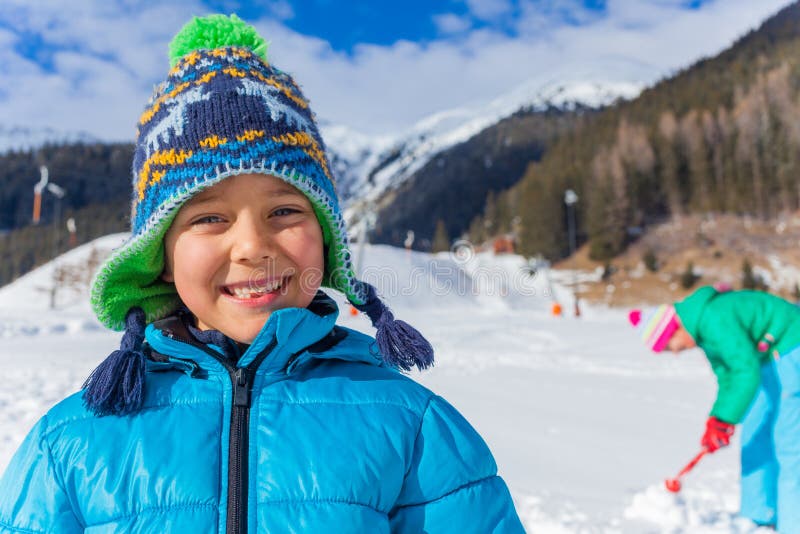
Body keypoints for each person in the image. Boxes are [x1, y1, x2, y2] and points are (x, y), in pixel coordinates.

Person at [0, 14, 524, 533]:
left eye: (284, 212)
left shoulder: (413, 426)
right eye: (209, 218)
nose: (252, 246)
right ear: (159, 252)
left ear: (326, 237)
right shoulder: (70, 443)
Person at [629, 285, 800, 531]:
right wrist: (717, 421)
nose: (675, 353)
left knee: (788, 445)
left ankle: (793, 525)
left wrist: (725, 419)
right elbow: (728, 377)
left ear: (674, 330)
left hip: (791, 345)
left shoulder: (714, 319)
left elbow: (744, 371)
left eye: (670, 346)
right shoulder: (703, 330)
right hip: (767, 358)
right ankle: (757, 517)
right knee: (755, 433)